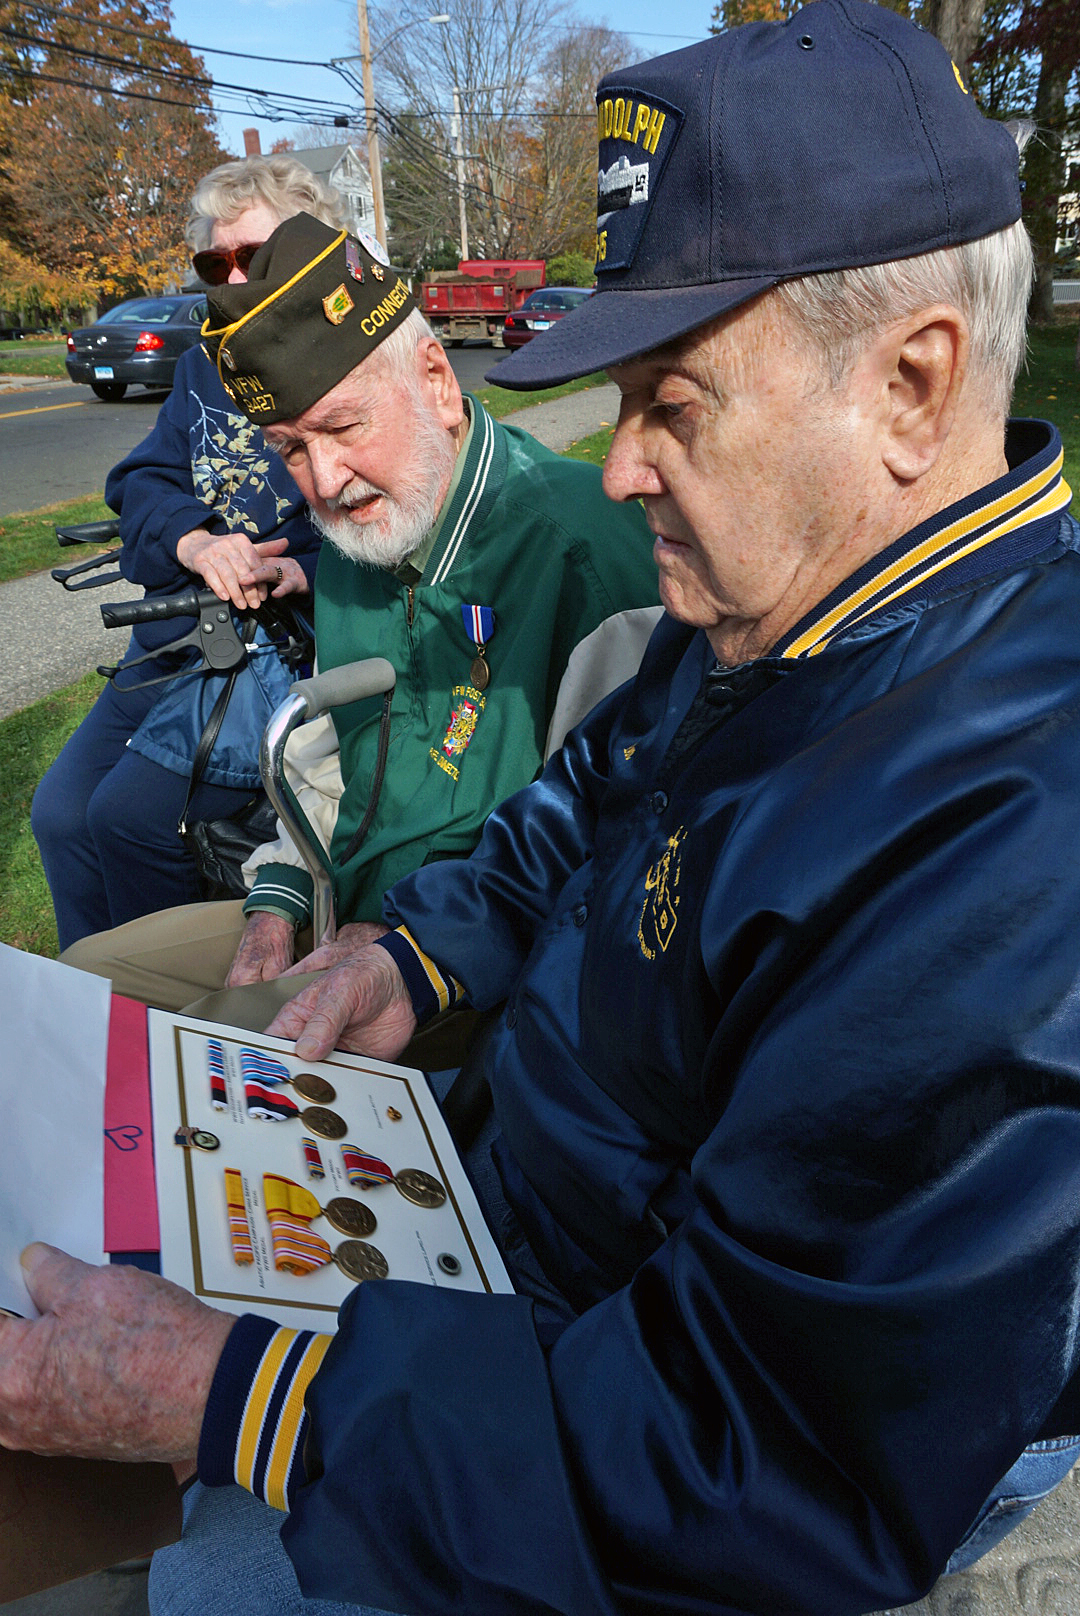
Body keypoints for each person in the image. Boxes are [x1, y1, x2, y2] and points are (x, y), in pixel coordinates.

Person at [6, 3, 1080, 1613]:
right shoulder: (786, 611)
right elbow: (578, 798)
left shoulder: (1013, 837)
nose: (624, 465)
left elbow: (764, 1469)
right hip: (494, 1259)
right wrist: (408, 964)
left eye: (674, 401)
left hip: (592, 1430)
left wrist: (239, 1400)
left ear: (915, 388)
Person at [58, 213, 660, 1028]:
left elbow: (617, 854)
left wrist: (406, 953)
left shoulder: (585, 550)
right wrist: (275, 907)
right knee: (88, 981)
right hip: (329, 907)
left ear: (439, 383)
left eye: (343, 427)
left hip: (477, 975)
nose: (326, 480)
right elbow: (325, 757)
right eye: (290, 450)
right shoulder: (353, 542)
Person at [31, 156, 343, 951]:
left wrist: (302, 569)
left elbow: (393, 525)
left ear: (314, 252)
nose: (235, 277)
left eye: (257, 257)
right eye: (217, 262)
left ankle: (166, 1013)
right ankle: (91, 997)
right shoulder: (207, 364)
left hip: (268, 655)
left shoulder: (349, 363)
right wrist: (196, 538)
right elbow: (140, 480)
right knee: (59, 815)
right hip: (174, 641)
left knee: (128, 820)